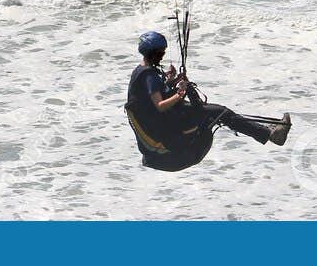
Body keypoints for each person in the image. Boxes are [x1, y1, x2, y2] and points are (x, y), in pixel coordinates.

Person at [124, 30, 290, 171]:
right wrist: (180, 93)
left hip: (166, 121)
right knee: (220, 112)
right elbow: (160, 105)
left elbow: (153, 96)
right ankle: (271, 135)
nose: (163, 55)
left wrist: (171, 80)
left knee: (218, 112)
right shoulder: (149, 75)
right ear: (152, 53)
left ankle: (268, 131)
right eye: (161, 52)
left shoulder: (142, 71)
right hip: (166, 131)